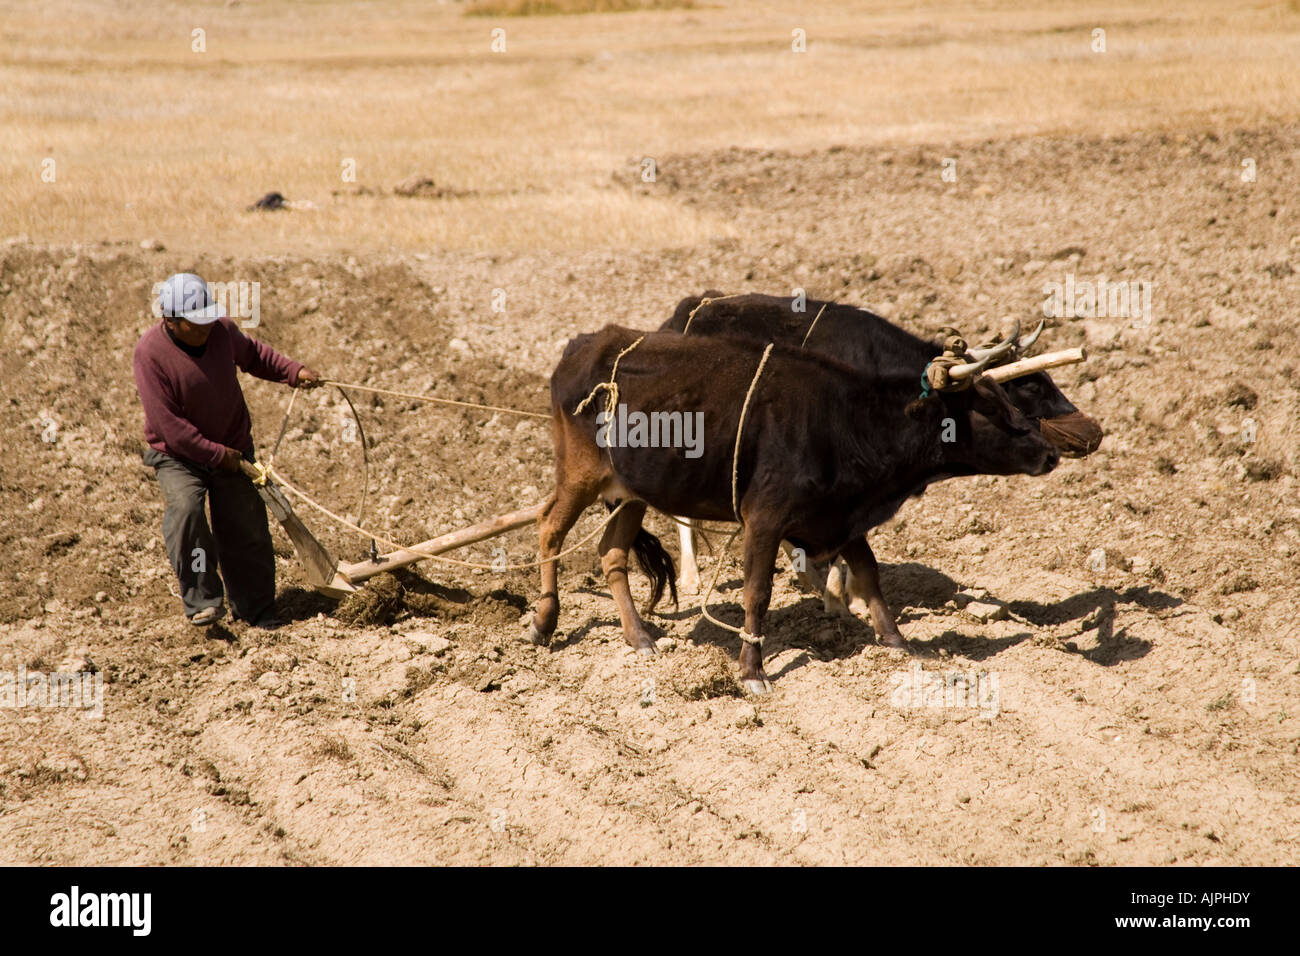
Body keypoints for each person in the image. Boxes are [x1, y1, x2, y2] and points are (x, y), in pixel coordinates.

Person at [132, 273, 322, 627]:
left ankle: (256, 609)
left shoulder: (221, 331)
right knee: (187, 512)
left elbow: (255, 356)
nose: (206, 326)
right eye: (196, 321)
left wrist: (293, 372)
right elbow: (169, 427)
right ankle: (203, 599)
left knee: (246, 528)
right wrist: (217, 455)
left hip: (233, 446)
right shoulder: (150, 355)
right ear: (171, 321)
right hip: (180, 457)